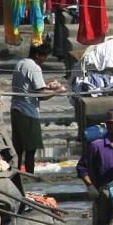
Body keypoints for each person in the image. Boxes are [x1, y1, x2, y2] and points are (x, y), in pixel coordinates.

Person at [10, 42, 66, 173]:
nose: (45, 59)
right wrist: (57, 91)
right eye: (44, 56)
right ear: (37, 55)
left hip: (15, 109)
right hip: (28, 112)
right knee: (30, 149)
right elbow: (41, 95)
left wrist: (47, 87)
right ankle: (30, 175)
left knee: (18, 148)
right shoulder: (34, 67)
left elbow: (31, 87)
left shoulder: (20, 63)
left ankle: (16, 175)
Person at [77, 109, 113, 225]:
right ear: (108, 125)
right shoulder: (97, 146)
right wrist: (90, 186)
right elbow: (81, 168)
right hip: (104, 191)